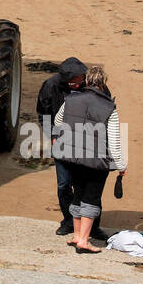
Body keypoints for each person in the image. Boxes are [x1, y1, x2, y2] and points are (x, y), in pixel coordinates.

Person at [53, 65, 127, 254]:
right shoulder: (109, 107)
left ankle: (77, 235)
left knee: (77, 195)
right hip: (96, 161)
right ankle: (84, 241)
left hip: (73, 157)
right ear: (103, 83)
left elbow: (58, 121)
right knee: (91, 198)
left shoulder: (70, 99)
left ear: (86, 81)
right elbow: (115, 140)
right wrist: (121, 165)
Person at [36, 56, 89, 236]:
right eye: (77, 80)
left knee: (86, 185)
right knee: (64, 184)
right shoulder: (50, 86)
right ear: (68, 79)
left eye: (82, 78)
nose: (81, 81)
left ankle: (92, 225)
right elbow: (43, 113)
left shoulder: (88, 85)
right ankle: (68, 221)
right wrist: (52, 136)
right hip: (61, 141)